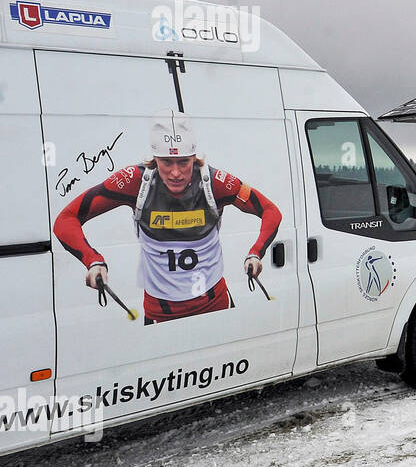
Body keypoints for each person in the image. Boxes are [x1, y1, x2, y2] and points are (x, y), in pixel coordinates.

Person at [54, 109, 281, 324]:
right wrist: (93, 261)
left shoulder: (215, 182)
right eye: (166, 162)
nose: (175, 172)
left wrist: (255, 253)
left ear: (194, 157)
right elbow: (66, 219)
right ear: (155, 158)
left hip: (216, 306)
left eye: (183, 162)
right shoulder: (134, 181)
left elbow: (270, 211)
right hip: (161, 315)